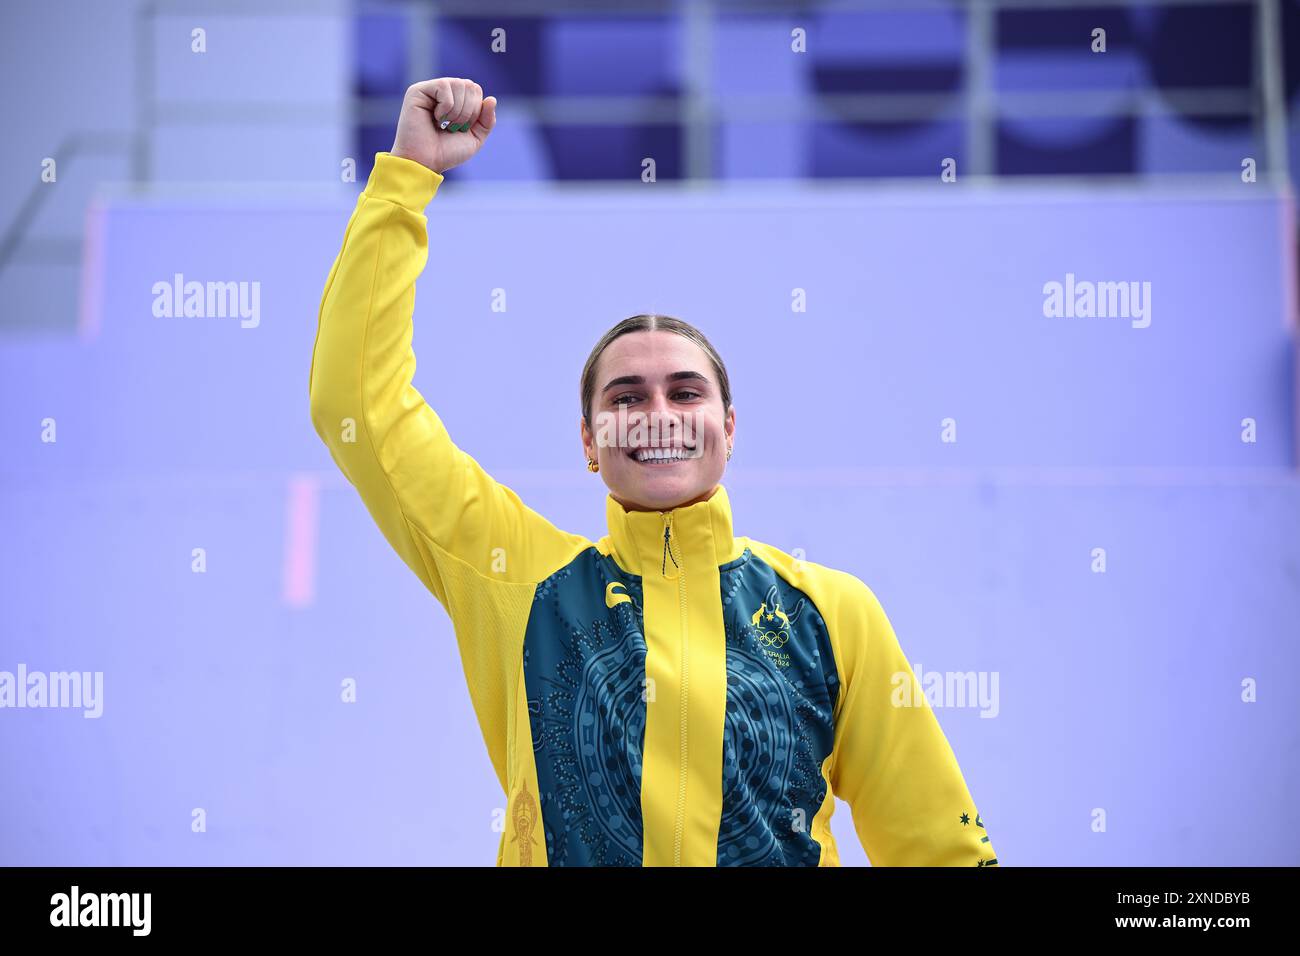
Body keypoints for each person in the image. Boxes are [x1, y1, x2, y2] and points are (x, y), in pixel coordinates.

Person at [309, 77, 999, 867]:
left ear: (729, 429)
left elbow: (938, 847)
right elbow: (354, 400)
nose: (658, 413)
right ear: (588, 441)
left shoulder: (832, 613)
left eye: (686, 391)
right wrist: (406, 177)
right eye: (626, 395)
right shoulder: (517, 578)